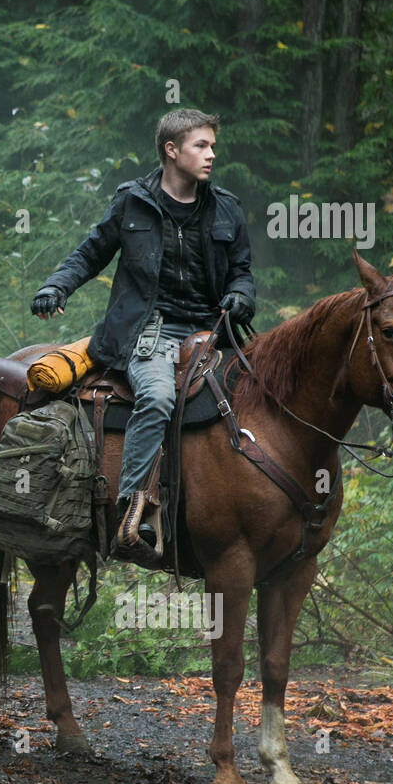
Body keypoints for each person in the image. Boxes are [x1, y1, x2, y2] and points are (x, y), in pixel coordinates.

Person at [30, 109, 255, 560]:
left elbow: (242, 273)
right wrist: (56, 286)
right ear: (171, 151)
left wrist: (239, 298)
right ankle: (129, 515)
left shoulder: (227, 206)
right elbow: (89, 254)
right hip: (147, 332)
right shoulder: (132, 202)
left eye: (213, 145)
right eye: (201, 146)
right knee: (156, 396)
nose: (212, 154)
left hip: (213, 334)